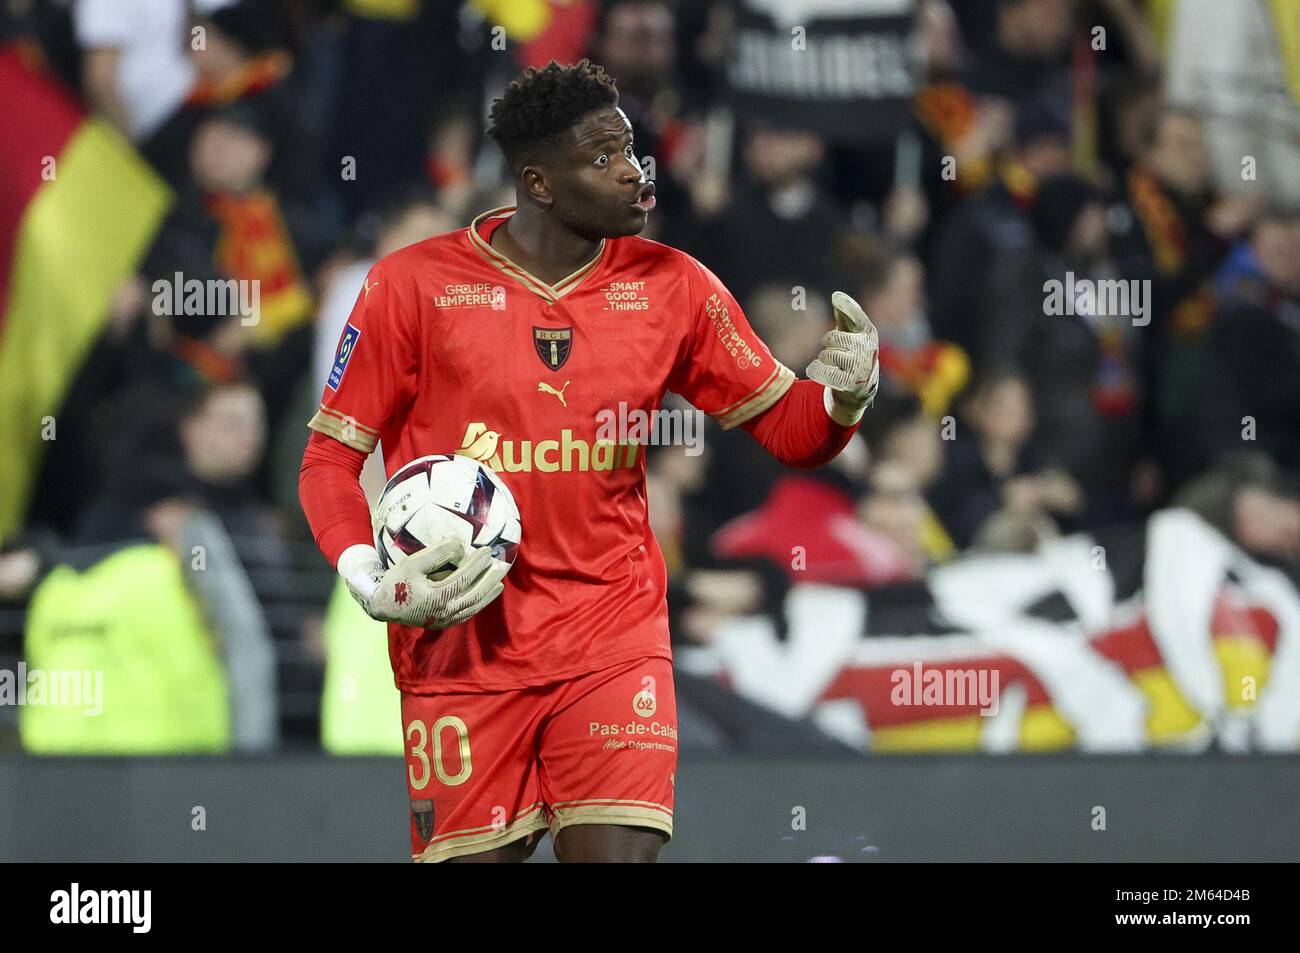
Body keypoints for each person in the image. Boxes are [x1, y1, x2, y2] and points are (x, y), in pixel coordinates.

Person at [297, 60, 880, 863]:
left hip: (612, 635)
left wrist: (841, 399)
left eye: (631, 149)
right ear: (538, 182)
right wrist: (365, 572)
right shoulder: (412, 288)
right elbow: (328, 458)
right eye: (602, 157)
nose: (633, 172)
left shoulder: (674, 288)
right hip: (463, 645)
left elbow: (790, 428)